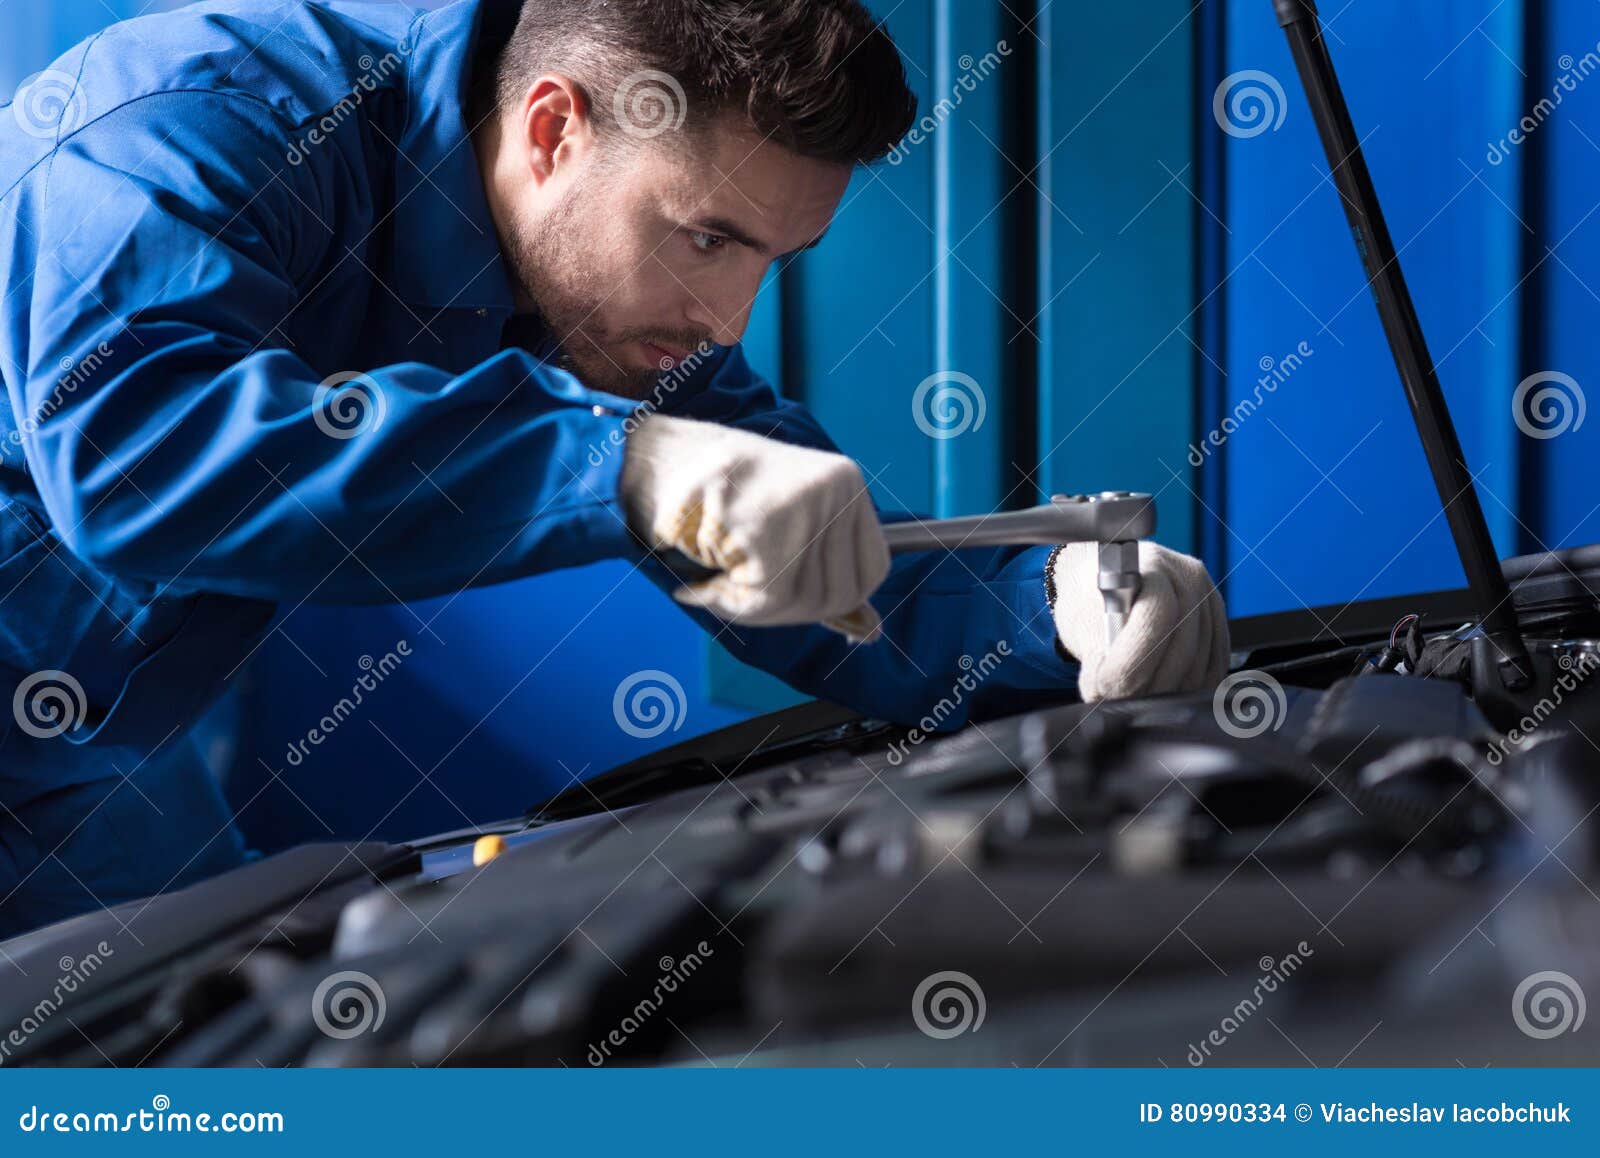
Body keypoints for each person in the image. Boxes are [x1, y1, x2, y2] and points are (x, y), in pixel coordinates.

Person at [0, 0, 1228, 936]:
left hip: (102, 749)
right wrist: (627, 472)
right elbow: (135, 455)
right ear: (551, 129)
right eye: (707, 236)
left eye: (771, 257)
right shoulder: (189, 125)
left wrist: (1060, 612)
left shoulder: (600, 289)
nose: (730, 318)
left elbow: (808, 550)